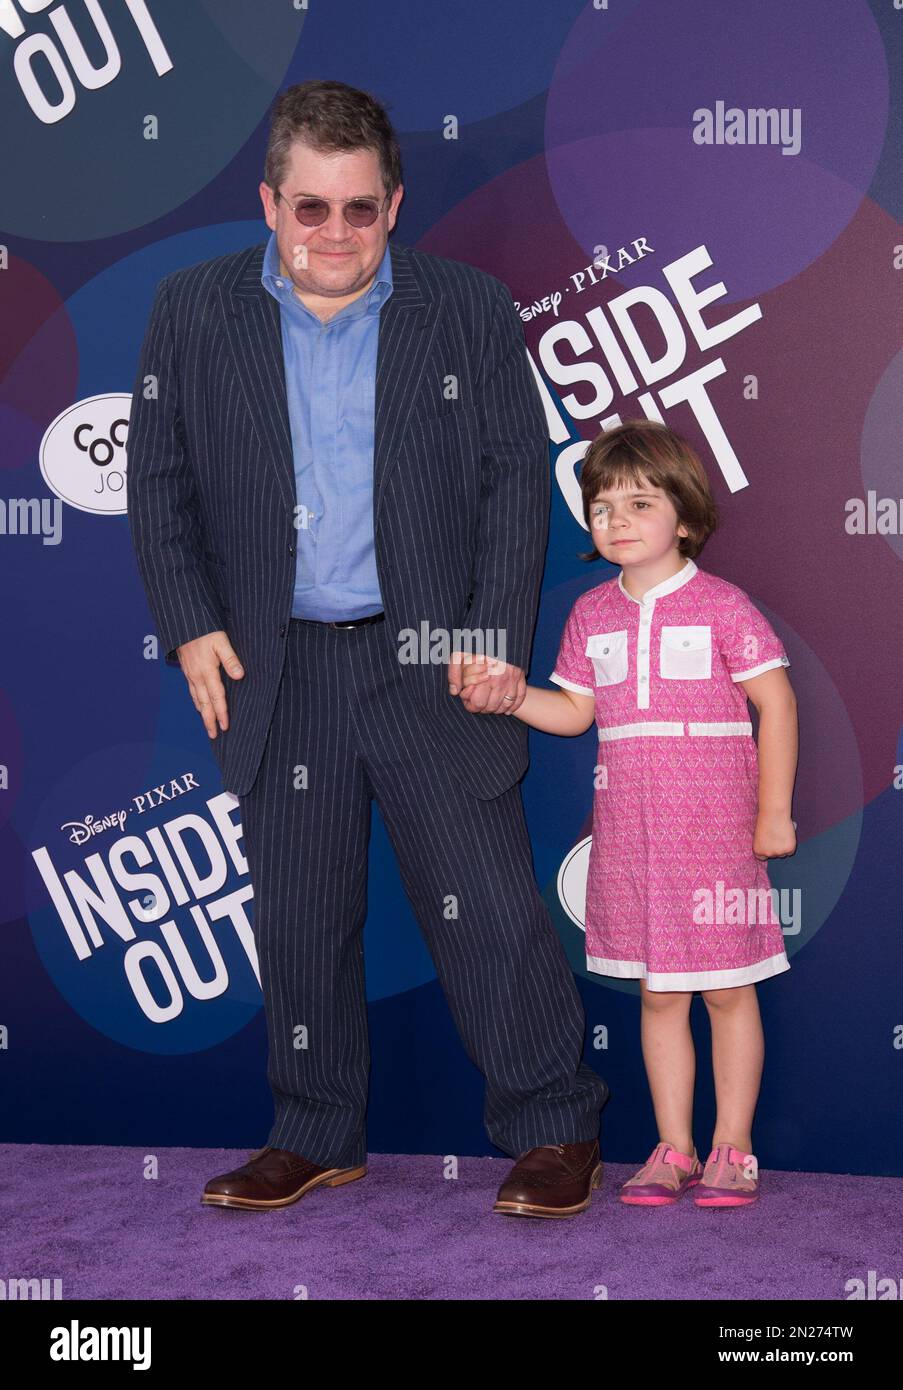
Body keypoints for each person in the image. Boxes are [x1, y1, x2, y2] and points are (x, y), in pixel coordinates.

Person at [126, 79, 609, 1218]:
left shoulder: (470, 307)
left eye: (358, 209)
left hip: (433, 654)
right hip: (274, 664)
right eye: (309, 209)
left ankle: (552, 1127)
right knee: (296, 914)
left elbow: (510, 489)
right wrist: (191, 621)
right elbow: (158, 483)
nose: (333, 235)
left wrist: (489, 640)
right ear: (269, 202)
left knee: (488, 905)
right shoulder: (190, 309)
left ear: (393, 204)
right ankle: (314, 1129)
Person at [462, 419, 798, 1208]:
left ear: (682, 516)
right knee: (657, 994)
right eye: (601, 507)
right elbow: (574, 713)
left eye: (638, 504)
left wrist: (772, 813)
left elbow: (775, 704)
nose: (615, 522)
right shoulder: (590, 615)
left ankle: (733, 1149)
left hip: (716, 837)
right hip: (630, 840)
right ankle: (674, 1148)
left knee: (727, 991)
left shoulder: (723, 606)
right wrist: (510, 696)